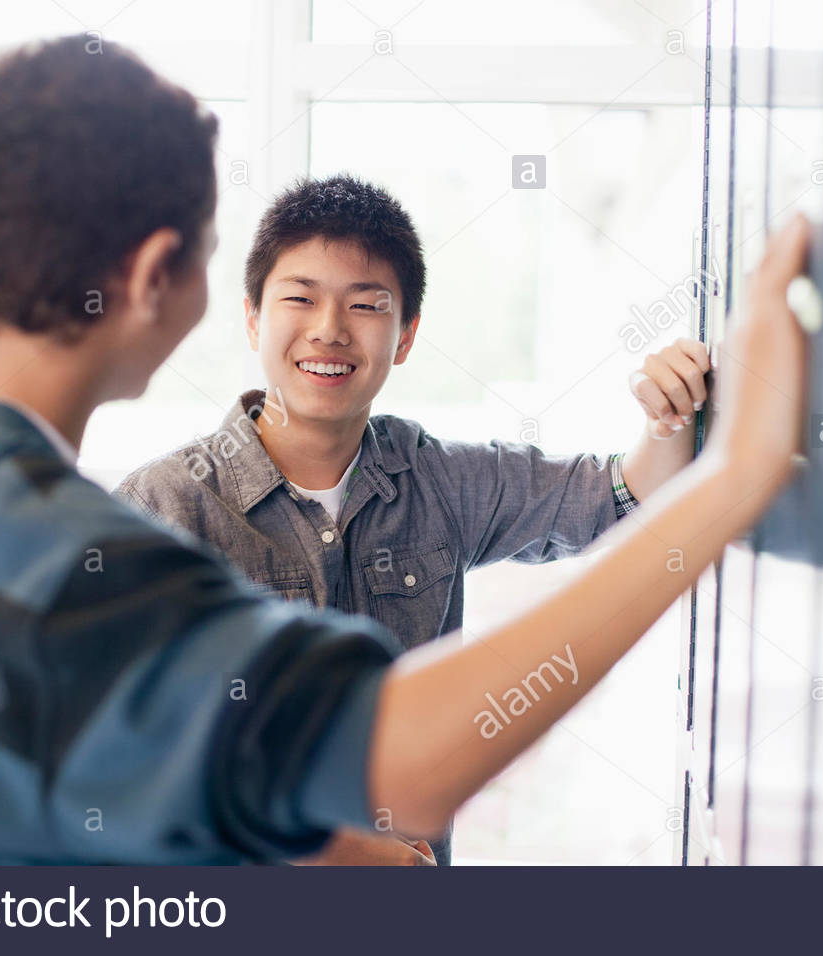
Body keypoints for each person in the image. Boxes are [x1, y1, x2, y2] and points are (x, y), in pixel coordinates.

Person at [0, 34, 811, 866]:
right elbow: (397, 761)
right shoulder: (101, 555)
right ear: (155, 279)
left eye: (362, 305)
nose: (325, 327)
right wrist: (738, 475)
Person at [116, 175, 718, 865]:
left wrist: (669, 412)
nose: (329, 330)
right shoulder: (163, 507)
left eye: (366, 304)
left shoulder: (434, 478)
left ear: (404, 337)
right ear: (253, 318)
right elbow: (132, 766)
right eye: (300, 298)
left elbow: (621, 499)